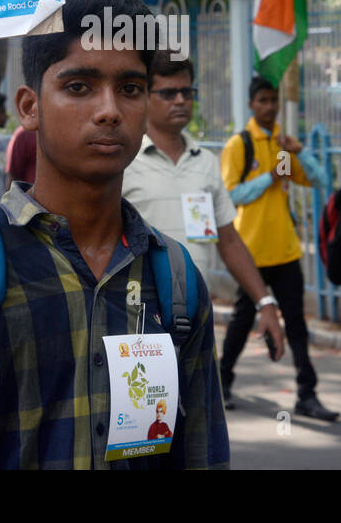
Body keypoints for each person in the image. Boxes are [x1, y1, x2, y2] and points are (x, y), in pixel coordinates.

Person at [0, 0, 228, 469]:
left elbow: (203, 455)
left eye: (131, 89)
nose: (108, 110)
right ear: (29, 106)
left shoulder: (177, 282)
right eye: (79, 87)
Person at [122, 53, 284, 391]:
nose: (180, 100)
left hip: (197, 317)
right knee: (146, 428)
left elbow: (229, 241)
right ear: (145, 96)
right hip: (138, 320)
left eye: (187, 92)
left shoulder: (206, 162)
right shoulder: (123, 159)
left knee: (199, 429)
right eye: (168, 93)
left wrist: (265, 303)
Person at [218, 76, 336, 421]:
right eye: (263, 101)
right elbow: (232, 195)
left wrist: (301, 153)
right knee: (242, 321)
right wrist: (269, 176)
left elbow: (317, 181)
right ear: (252, 105)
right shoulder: (240, 146)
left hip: (285, 250)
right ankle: (222, 381)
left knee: (297, 324)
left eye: (274, 101)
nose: (270, 107)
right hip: (250, 251)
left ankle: (307, 394)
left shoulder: (283, 144)